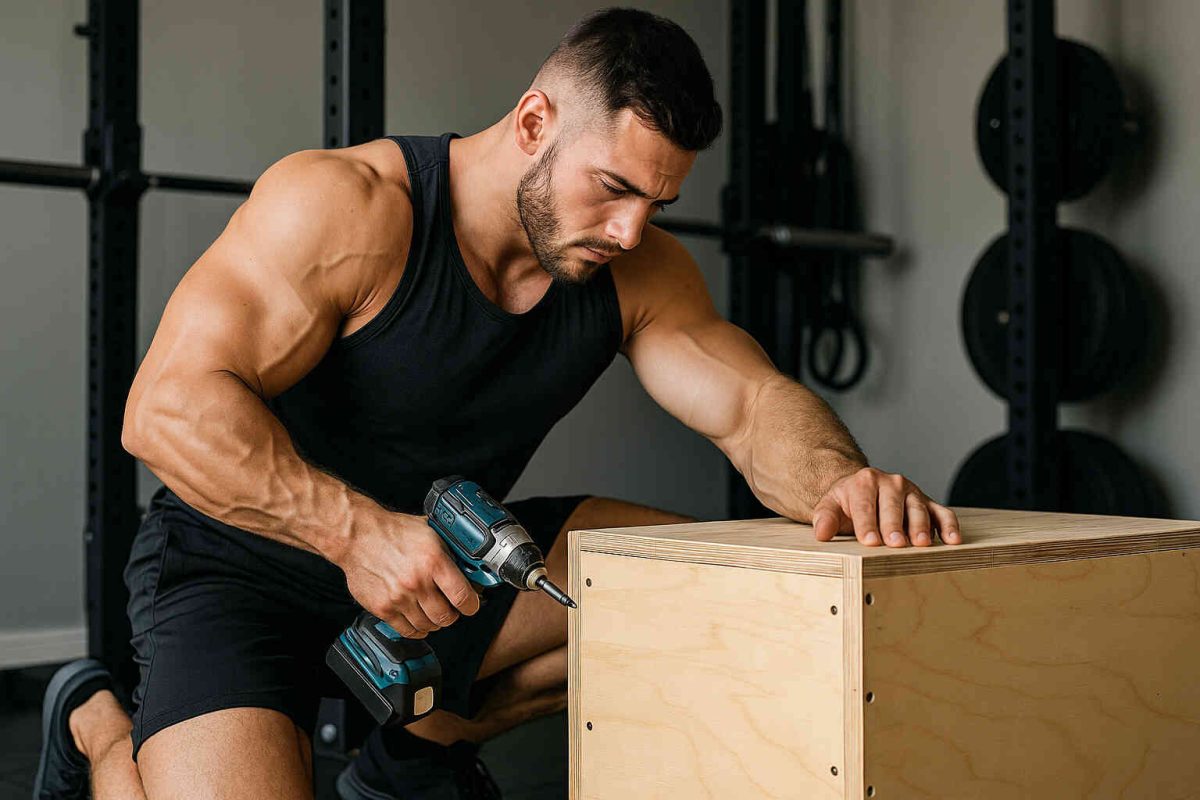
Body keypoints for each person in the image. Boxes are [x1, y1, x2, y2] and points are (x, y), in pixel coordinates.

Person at [34, 8, 962, 800]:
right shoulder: (351, 207)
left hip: (442, 566)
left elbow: (750, 405)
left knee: (701, 595)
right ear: (532, 122)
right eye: (614, 188)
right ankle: (100, 725)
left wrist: (840, 481)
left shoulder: (636, 269)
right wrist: (358, 537)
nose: (631, 229)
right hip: (237, 567)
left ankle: (405, 762)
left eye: (658, 203)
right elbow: (162, 410)